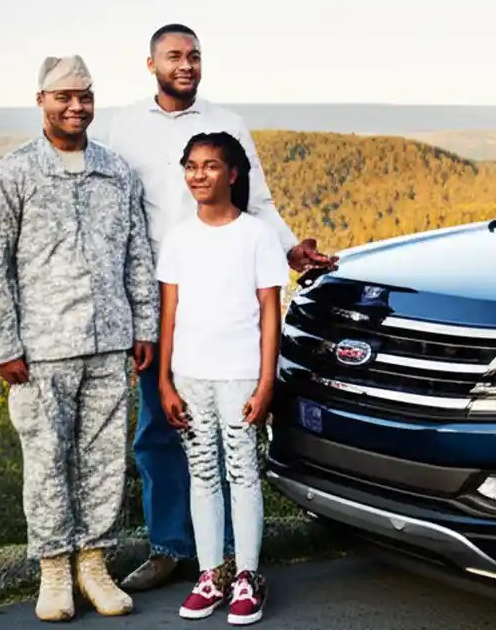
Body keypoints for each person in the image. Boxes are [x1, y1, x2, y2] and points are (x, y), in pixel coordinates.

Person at [97, 23, 335, 593]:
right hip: (159, 292)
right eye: (174, 55)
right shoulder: (122, 126)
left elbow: (261, 202)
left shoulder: (228, 125)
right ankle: (169, 547)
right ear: (150, 63)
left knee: (232, 429)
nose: (186, 64)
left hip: (227, 295)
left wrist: (290, 247)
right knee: (160, 425)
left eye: (195, 56)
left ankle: (230, 554)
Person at [0, 55, 158, 622]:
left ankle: (94, 565)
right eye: (63, 97)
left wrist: (143, 325)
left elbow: (137, 255)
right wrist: (1, 341)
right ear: (41, 101)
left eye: (85, 96)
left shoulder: (117, 172)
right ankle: (54, 570)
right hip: (41, 349)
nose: (76, 106)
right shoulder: (12, 174)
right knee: (47, 461)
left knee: (104, 461)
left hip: (109, 343)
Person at [156, 131, 284, 624]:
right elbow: (169, 314)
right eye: (192, 165)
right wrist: (165, 381)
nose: (199, 175)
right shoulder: (179, 238)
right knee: (203, 473)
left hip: (240, 377)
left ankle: (248, 575)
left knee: (242, 471)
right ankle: (212, 574)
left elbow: (269, 311)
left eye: (211, 166)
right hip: (190, 377)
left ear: (233, 173)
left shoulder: (256, 235)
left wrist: (266, 382)